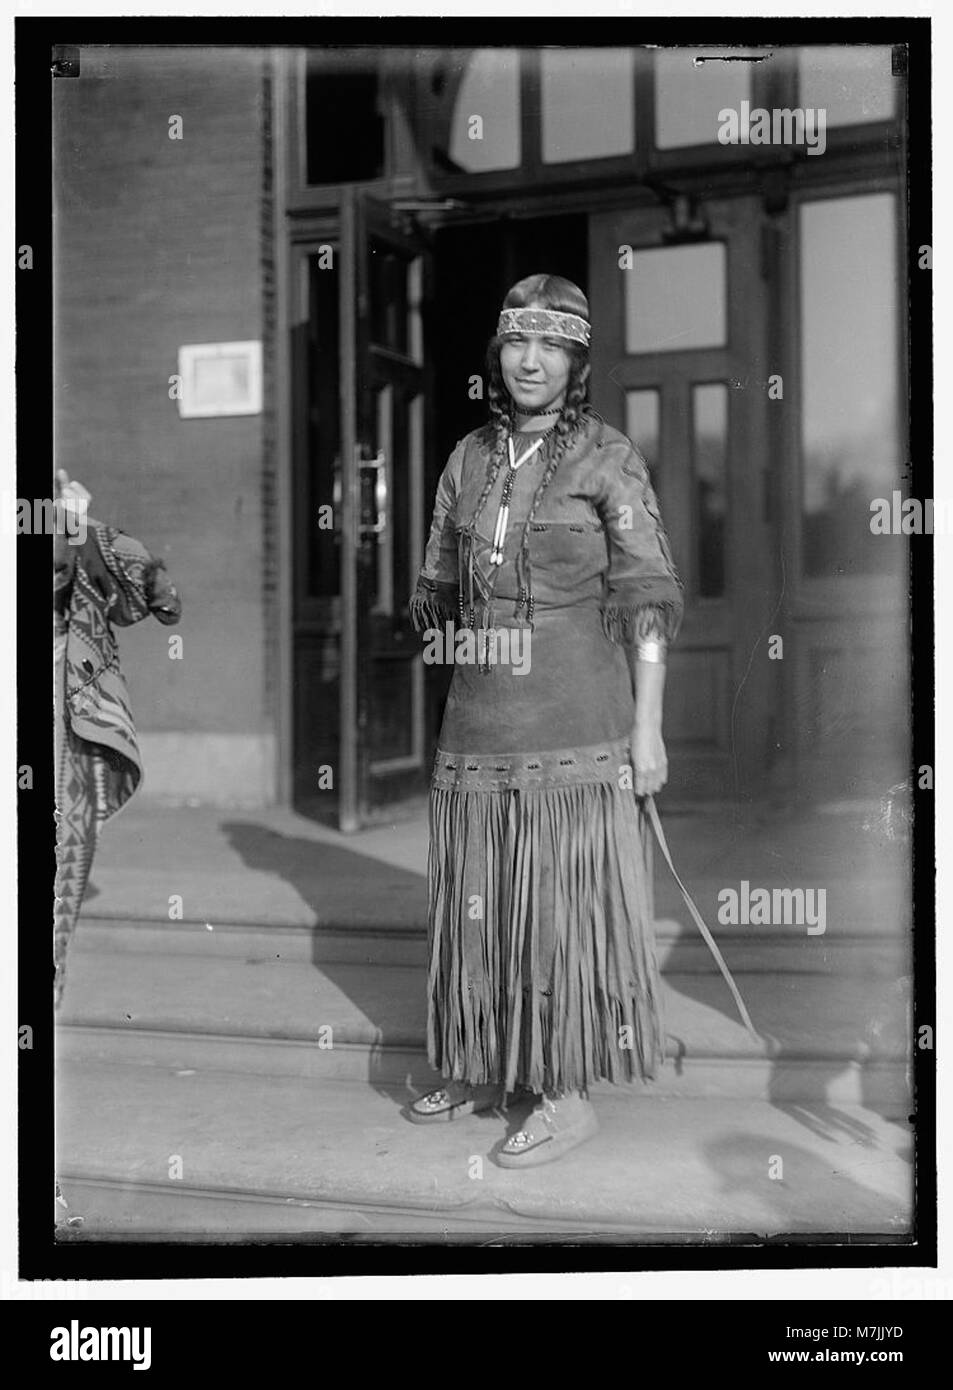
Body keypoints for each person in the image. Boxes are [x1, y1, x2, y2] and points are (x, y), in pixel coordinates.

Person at [406, 274, 684, 1167]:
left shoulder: (608, 458)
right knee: (481, 906)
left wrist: (648, 730)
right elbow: (442, 593)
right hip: (479, 724)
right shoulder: (464, 458)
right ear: (497, 354)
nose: (530, 360)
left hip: (579, 716)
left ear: (576, 361)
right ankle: (484, 1058)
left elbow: (644, 600)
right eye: (517, 343)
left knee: (560, 910)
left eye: (551, 346)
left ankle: (563, 1092)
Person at [53, 470, 182, 1010]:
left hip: (64, 705)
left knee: (63, 843)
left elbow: (160, 595)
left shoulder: (77, 537)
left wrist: (80, 525)